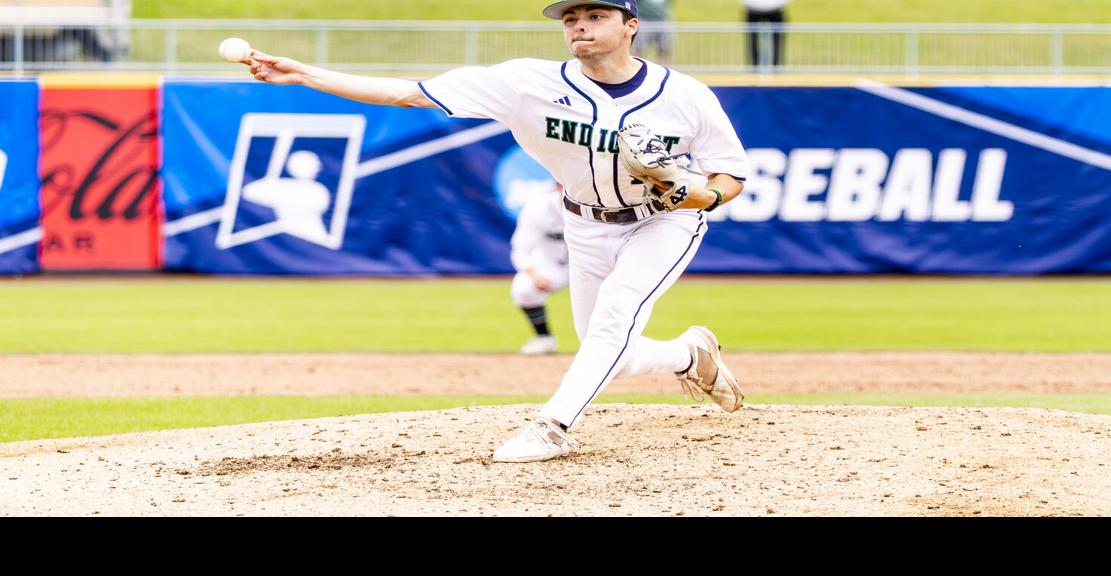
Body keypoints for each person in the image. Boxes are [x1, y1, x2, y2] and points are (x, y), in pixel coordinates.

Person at [240, 0, 749, 463]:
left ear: (631, 25)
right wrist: (303, 73)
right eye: (571, 19)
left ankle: (552, 426)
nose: (579, 26)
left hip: (664, 219)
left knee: (615, 317)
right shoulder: (527, 83)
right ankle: (690, 354)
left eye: (595, 16)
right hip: (584, 221)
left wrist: (702, 195)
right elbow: (406, 93)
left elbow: (729, 175)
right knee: (608, 349)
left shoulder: (684, 96)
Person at [509, 183, 571, 355]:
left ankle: (615, 344)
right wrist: (534, 274)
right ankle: (544, 338)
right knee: (524, 288)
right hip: (551, 265)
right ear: (557, 186)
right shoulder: (539, 208)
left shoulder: (599, 205)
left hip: (591, 264)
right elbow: (520, 250)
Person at [739, 0, 789, 70]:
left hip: (775, 7)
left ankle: (776, 66)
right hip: (752, 7)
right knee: (752, 39)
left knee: (777, 40)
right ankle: (754, 66)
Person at [634, 0, 674, 65]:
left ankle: (664, 71)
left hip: (662, 20)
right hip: (644, 19)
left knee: (664, 49)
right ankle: (639, 69)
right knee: (640, 48)